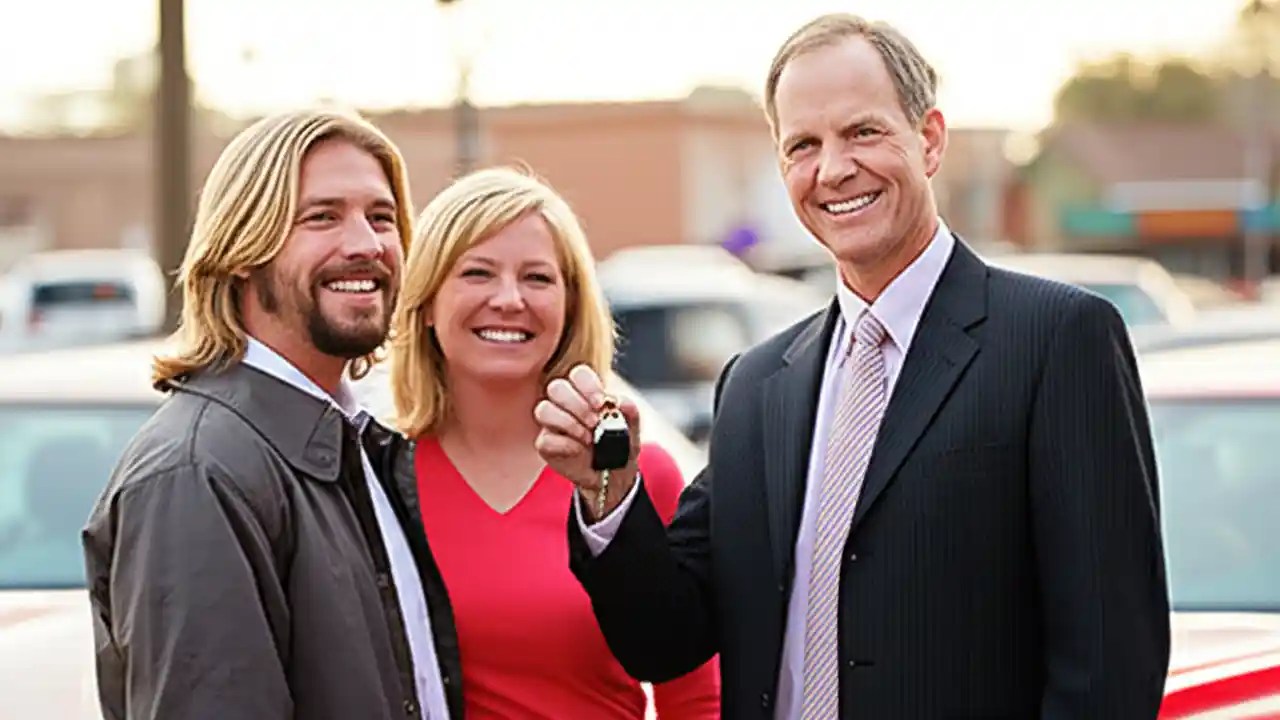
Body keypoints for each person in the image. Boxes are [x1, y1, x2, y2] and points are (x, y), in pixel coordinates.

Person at [534, 13, 1171, 719]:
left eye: (862, 132)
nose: (833, 169)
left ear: (929, 139)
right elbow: (667, 640)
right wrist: (609, 494)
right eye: (802, 145)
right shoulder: (755, 386)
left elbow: (1110, 664)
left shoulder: (1057, 341)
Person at [81, 109, 462, 720]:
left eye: (382, 217)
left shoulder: (354, 447)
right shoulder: (195, 474)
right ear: (240, 251)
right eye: (322, 217)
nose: (366, 244)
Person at [387, 166, 720, 719]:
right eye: (477, 273)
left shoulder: (631, 481)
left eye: (538, 278)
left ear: (569, 306)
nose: (509, 299)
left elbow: (697, 701)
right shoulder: (378, 480)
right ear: (424, 303)